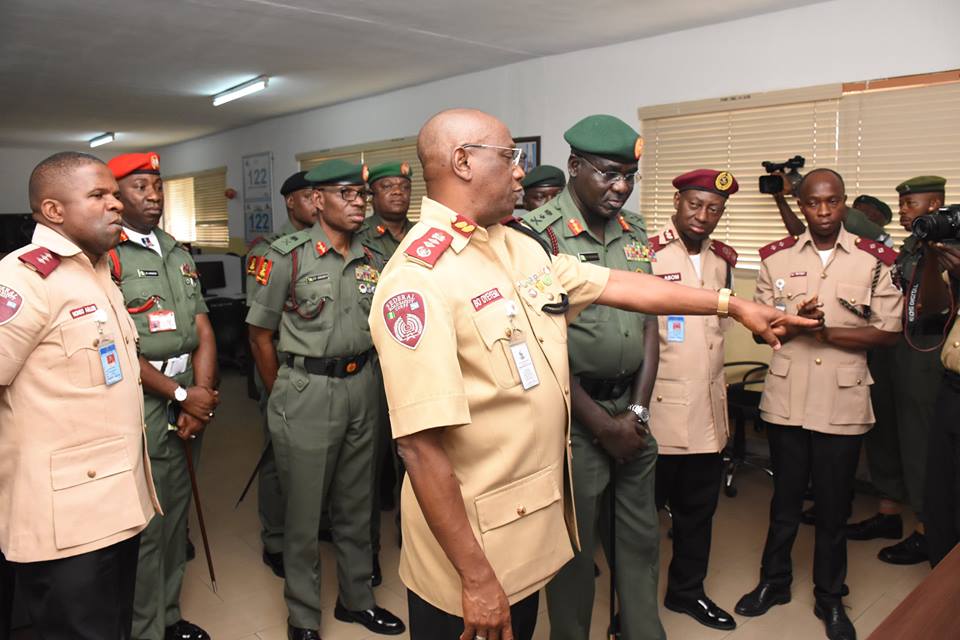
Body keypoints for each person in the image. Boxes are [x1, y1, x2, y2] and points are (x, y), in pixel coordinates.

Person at [369, 107, 816, 640]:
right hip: (470, 552)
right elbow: (420, 448)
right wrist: (476, 578)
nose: (520, 170)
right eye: (509, 157)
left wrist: (732, 305)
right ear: (462, 162)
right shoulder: (417, 280)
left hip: (522, 531)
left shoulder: (515, 248)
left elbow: (619, 285)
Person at [734, 169, 903, 640]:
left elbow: (888, 333)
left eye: (832, 202)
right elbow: (761, 331)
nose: (823, 211)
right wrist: (794, 322)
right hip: (788, 397)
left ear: (844, 202)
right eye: (813, 203)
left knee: (832, 508)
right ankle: (774, 583)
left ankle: (830, 597)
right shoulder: (776, 258)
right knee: (784, 503)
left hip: (841, 400)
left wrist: (825, 332)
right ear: (801, 205)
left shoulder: (873, 260)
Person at [0, 151, 159, 638]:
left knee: (114, 626)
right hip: (65, 519)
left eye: (114, 194)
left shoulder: (98, 271)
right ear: (53, 211)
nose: (116, 204)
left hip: (117, 500)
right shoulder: (25, 278)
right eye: (98, 195)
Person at [246, 159, 405, 640]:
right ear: (317, 201)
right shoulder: (287, 257)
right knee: (304, 511)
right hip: (307, 390)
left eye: (361, 195)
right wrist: (284, 393)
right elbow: (259, 335)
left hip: (363, 385)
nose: (359, 203)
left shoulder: (372, 257)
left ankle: (356, 600)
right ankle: (303, 616)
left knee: (357, 505)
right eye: (346, 194)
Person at [522, 114, 662, 640]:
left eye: (629, 176)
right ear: (575, 166)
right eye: (608, 174)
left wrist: (637, 412)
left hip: (633, 410)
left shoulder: (636, 231)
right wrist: (602, 427)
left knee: (641, 541)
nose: (621, 187)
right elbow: (537, 345)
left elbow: (650, 325)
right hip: (573, 421)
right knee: (573, 553)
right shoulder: (535, 237)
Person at [106, 152, 219, 640]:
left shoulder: (176, 251)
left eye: (158, 186)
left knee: (175, 518)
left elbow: (202, 327)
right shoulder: (107, 256)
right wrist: (180, 394)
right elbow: (115, 349)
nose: (153, 197)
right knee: (148, 524)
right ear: (116, 196)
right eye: (140, 187)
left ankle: (168, 616)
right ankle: (144, 628)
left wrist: (201, 396)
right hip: (144, 401)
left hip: (187, 394)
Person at [648, 169, 739, 631]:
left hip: (708, 411)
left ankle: (687, 592)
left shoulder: (723, 260)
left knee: (699, 513)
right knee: (643, 520)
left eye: (714, 209)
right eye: (695, 204)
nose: (703, 216)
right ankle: (635, 606)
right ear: (677, 202)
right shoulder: (646, 253)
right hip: (660, 411)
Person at [848, 176, 954, 565]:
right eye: (902, 203)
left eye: (911, 203)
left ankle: (927, 527)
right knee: (884, 426)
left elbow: (935, 303)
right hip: (892, 340)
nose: (903, 210)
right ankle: (888, 510)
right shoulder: (910, 244)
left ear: (935, 205)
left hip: (925, 346)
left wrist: (933, 251)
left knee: (917, 435)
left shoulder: (948, 245)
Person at [244, 170, 319, 579]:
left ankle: (318, 524)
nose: (318, 203)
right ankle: (275, 537)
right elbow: (260, 331)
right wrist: (276, 390)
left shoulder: (327, 245)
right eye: (309, 196)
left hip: (320, 377)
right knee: (277, 456)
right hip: (281, 368)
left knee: (319, 455)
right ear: (291, 202)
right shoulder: (269, 251)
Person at [358, 160, 415, 585]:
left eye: (403, 186)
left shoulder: (425, 234)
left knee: (416, 457)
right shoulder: (358, 239)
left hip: (417, 362)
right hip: (374, 365)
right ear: (372, 196)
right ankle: (368, 553)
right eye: (387, 186)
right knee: (368, 464)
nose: (397, 192)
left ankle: (413, 539)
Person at [924, 241, 960, 567]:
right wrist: (932, 260)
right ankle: (941, 578)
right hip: (951, 388)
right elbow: (932, 306)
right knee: (940, 494)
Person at [771, 176, 891, 245]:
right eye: (856, 207)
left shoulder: (882, 239)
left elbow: (855, 220)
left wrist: (797, 188)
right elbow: (801, 235)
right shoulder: (839, 234)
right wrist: (779, 198)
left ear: (878, 217)